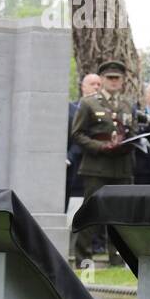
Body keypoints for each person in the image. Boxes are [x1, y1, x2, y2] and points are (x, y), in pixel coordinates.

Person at [69, 61, 136, 268]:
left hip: (122, 167)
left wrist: (130, 142)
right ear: (103, 80)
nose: (114, 82)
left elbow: (131, 132)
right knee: (91, 213)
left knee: (120, 214)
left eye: (118, 78)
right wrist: (100, 146)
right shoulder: (89, 103)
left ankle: (117, 259)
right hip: (97, 166)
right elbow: (77, 134)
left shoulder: (127, 105)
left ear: (123, 81)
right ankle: (83, 260)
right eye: (110, 78)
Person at [66, 72, 101, 204]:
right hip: (71, 166)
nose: (96, 87)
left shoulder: (107, 111)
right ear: (83, 87)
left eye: (99, 84)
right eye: (92, 84)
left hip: (94, 166)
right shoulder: (70, 109)